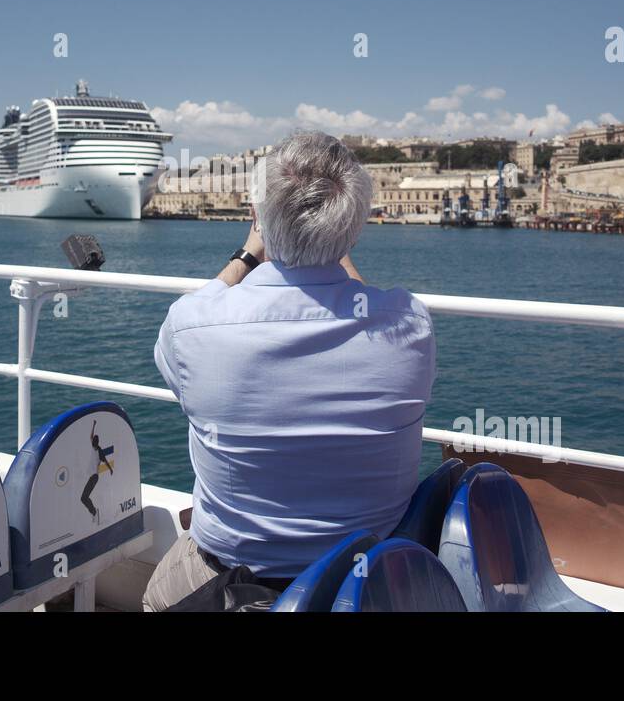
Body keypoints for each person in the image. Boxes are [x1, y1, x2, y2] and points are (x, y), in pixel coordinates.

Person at [141, 131, 436, 611]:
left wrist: (248, 252)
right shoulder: (409, 326)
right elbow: (361, 302)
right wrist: (328, 244)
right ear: (355, 230)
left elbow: (205, 305)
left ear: (255, 216)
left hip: (232, 574)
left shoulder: (191, 327)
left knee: (157, 598)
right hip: (367, 580)